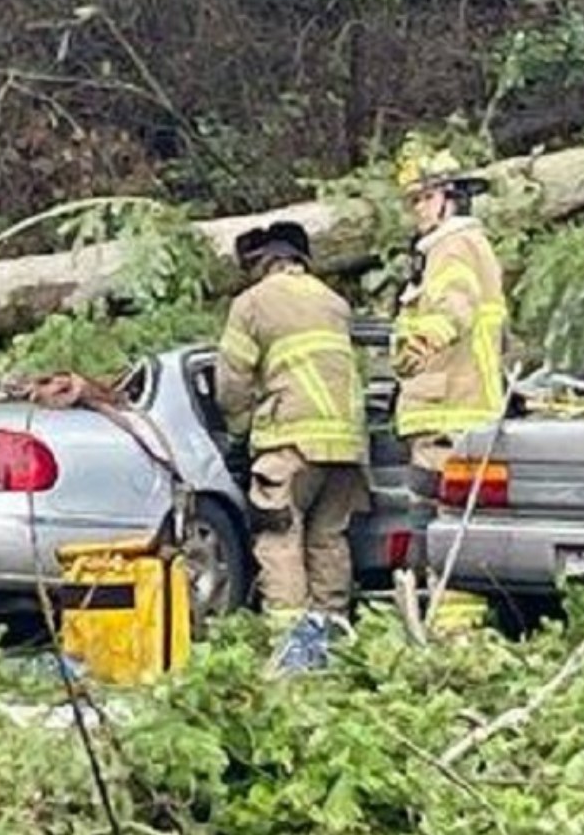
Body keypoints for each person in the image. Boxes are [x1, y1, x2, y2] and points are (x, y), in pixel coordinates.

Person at [214, 220, 369, 632]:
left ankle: (290, 643)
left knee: (278, 536)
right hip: (345, 447)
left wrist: (239, 430)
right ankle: (333, 634)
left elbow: (231, 384)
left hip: (289, 443)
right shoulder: (335, 303)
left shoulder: (252, 304)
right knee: (328, 539)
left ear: (261, 264)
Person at [391, 143, 509, 506]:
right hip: (466, 400)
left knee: (429, 511)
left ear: (450, 198)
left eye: (425, 198)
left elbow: (455, 309)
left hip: (446, 404)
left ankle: (423, 566)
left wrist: (417, 348)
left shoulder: (451, 247)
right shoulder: (470, 245)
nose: (418, 210)